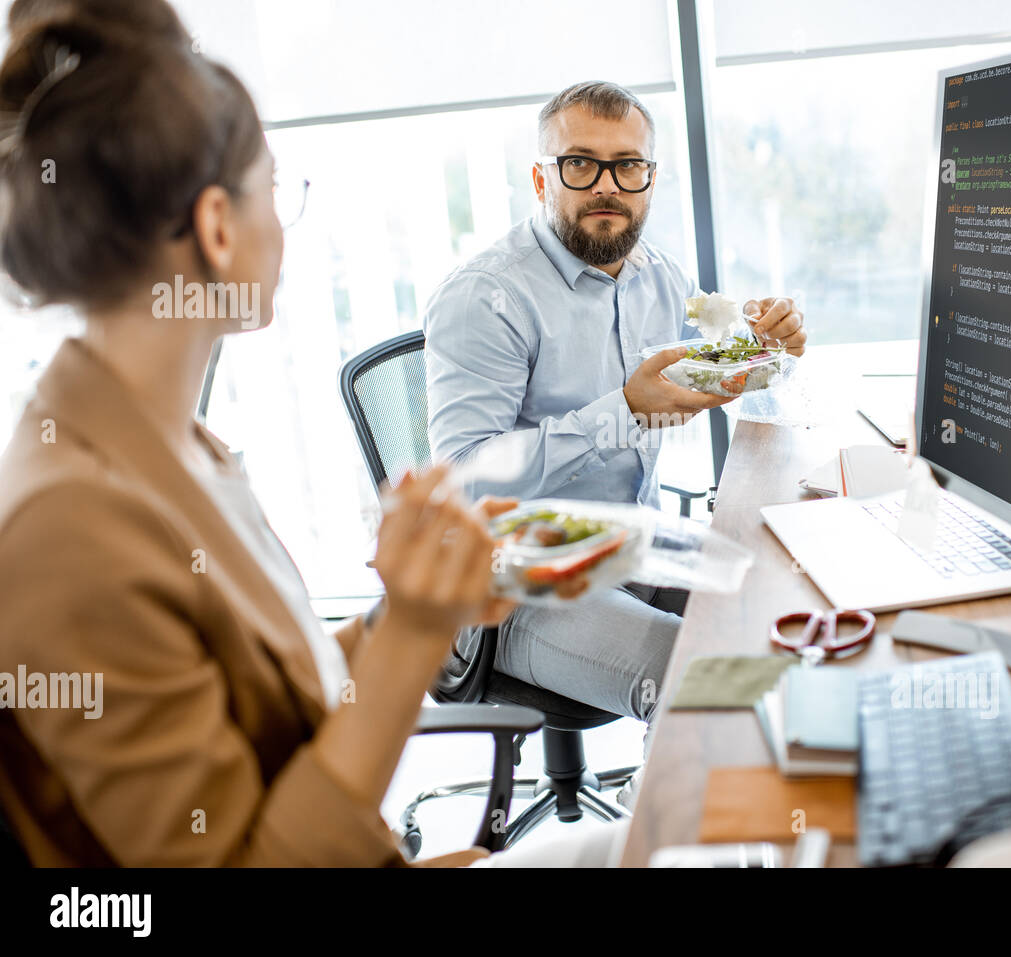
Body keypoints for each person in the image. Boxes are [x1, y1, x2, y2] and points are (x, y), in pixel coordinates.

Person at [0, 0, 625, 868]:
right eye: (273, 189)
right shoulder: (70, 522)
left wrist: (413, 615)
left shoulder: (173, 443)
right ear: (219, 227)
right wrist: (410, 633)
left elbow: (279, 699)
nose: (283, 224)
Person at [424, 81, 809, 775]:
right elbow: (465, 480)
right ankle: (658, 833)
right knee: (700, 677)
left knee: (774, 617)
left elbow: (690, 378)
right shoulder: (485, 297)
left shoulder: (657, 276)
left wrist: (759, 350)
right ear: (543, 177)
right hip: (507, 583)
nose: (607, 184)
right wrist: (622, 411)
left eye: (628, 165)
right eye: (581, 163)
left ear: (650, 180)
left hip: (629, 541)